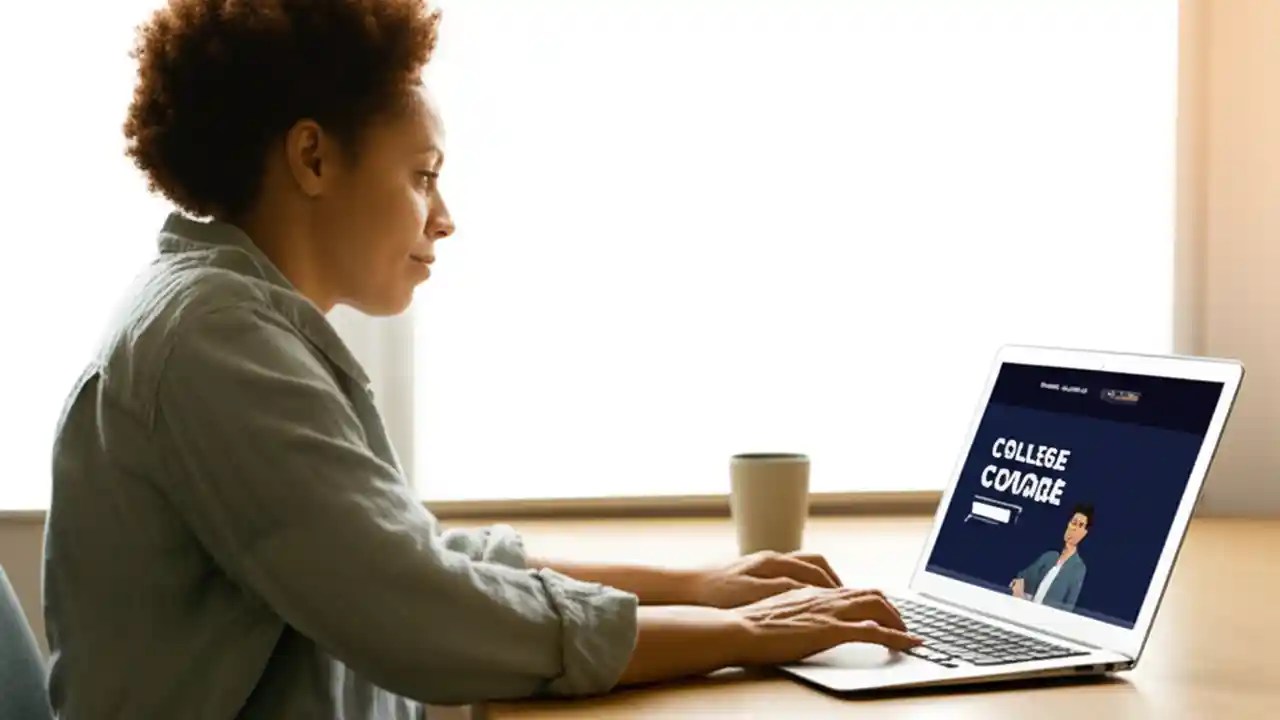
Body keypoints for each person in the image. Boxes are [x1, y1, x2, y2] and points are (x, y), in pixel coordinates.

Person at [42, 2, 921, 718]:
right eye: (423, 174)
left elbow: (407, 556)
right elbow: (421, 611)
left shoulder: (230, 319)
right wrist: (748, 634)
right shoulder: (213, 346)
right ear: (312, 157)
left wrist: (703, 586)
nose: (445, 215)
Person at [1008, 503, 1093, 611]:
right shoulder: (1050, 556)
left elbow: (1069, 606)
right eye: (1073, 523)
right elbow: (1022, 577)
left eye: (1080, 525)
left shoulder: (1078, 568)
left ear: (1084, 533)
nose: (1074, 529)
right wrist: (1019, 589)